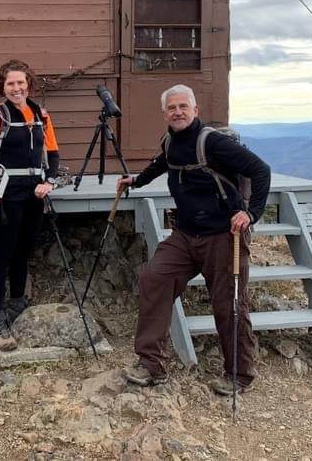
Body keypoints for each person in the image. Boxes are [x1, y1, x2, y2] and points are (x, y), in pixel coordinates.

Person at [118, 83, 270, 394]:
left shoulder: (212, 142)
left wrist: (251, 214)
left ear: (195, 110)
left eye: (183, 106)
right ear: (165, 113)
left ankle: (240, 374)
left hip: (224, 236)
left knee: (229, 303)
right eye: (172, 108)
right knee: (154, 279)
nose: (177, 112)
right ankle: (151, 364)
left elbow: (260, 170)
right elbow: (162, 164)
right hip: (185, 234)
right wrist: (136, 181)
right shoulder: (171, 141)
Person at [0, 60, 60, 351]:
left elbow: (53, 152)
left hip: (34, 193)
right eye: (10, 83)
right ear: (3, 86)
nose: (16, 88)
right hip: (7, 193)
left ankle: (18, 303)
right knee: (2, 254)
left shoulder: (40, 115)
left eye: (21, 82)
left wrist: (49, 180)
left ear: (29, 84)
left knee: (24, 251)